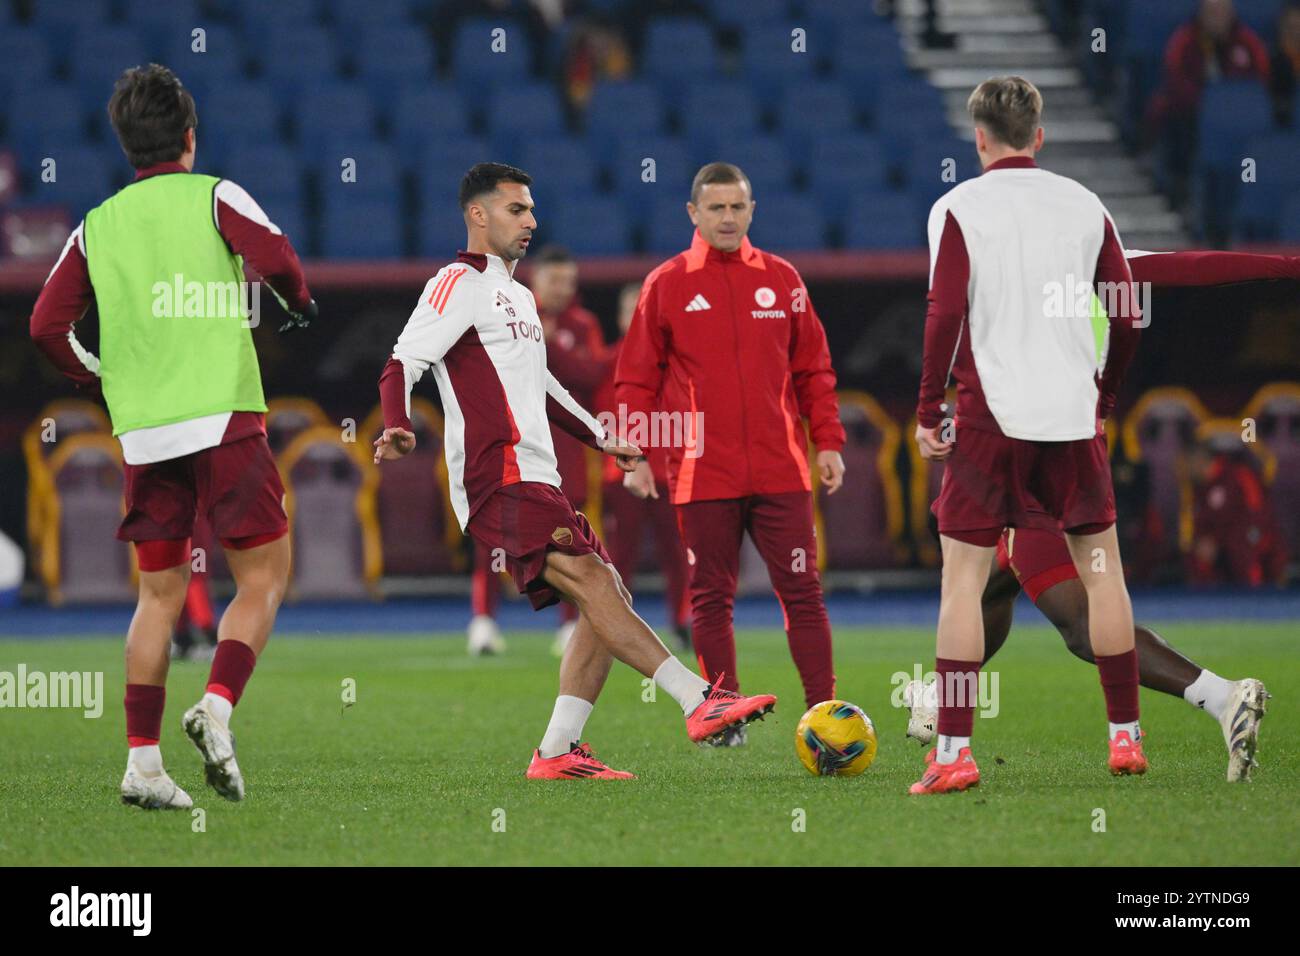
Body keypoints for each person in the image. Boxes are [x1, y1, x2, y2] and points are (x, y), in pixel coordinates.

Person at [374, 163, 777, 779]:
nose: (532, 220)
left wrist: (602, 438)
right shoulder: (457, 282)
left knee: (607, 593)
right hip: (497, 475)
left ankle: (558, 751)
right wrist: (396, 424)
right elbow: (402, 360)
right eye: (517, 210)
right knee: (595, 581)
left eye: (533, 209)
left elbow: (543, 386)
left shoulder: (519, 294)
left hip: (539, 475)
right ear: (478, 215)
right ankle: (699, 700)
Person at [29, 64, 316, 810]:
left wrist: (99, 377)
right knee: (263, 578)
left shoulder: (99, 224)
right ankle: (216, 706)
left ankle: (143, 765)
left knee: (158, 597)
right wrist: (299, 304)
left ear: (127, 146)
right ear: (190, 136)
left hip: (146, 431)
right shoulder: (216, 194)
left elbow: (43, 326)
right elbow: (281, 260)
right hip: (222, 415)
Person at [907, 248, 1296, 782]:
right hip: (1062, 445)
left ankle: (1221, 697)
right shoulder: (1090, 250)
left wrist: (935, 416)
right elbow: (1196, 266)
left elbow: (952, 333)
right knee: (992, 580)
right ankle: (941, 692)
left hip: (1030, 453)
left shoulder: (1028, 251)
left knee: (1079, 625)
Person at [913, 76, 1143, 795]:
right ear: (1037, 136)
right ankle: (1125, 740)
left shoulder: (958, 206)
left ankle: (953, 755)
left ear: (978, 138)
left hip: (989, 419)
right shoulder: (1085, 204)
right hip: (1073, 418)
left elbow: (943, 313)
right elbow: (1128, 313)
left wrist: (926, 411)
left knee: (963, 584)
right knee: (1104, 574)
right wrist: (1105, 393)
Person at [614, 162, 846, 746]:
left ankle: (826, 714)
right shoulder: (667, 283)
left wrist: (830, 442)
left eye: (737, 207)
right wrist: (636, 455)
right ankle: (725, 715)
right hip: (702, 472)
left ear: (751, 211)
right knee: (711, 598)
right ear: (693, 213)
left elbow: (813, 370)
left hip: (781, 468)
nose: (726, 217)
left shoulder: (783, 278)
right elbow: (635, 380)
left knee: (803, 593)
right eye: (715, 208)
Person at [464, 245, 614, 656]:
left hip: (562, 448)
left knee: (567, 536)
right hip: (507, 442)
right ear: (535, 280)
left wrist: (552, 345)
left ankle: (567, 625)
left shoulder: (582, 325)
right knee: (491, 539)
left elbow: (591, 373)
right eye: (555, 280)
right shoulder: (506, 312)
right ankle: (483, 621)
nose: (563, 289)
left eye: (569, 282)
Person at [596, 282, 692, 651]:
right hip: (622, 475)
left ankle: (683, 620)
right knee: (619, 556)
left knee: (680, 554)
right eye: (630, 311)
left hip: (670, 473)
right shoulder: (606, 362)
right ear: (620, 318)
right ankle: (614, 624)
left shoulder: (678, 361)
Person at [1270, 3, 1300, 126]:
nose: (1296, 33)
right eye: (1291, 27)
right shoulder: (1273, 61)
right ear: (1282, 28)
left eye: (1298, 27)